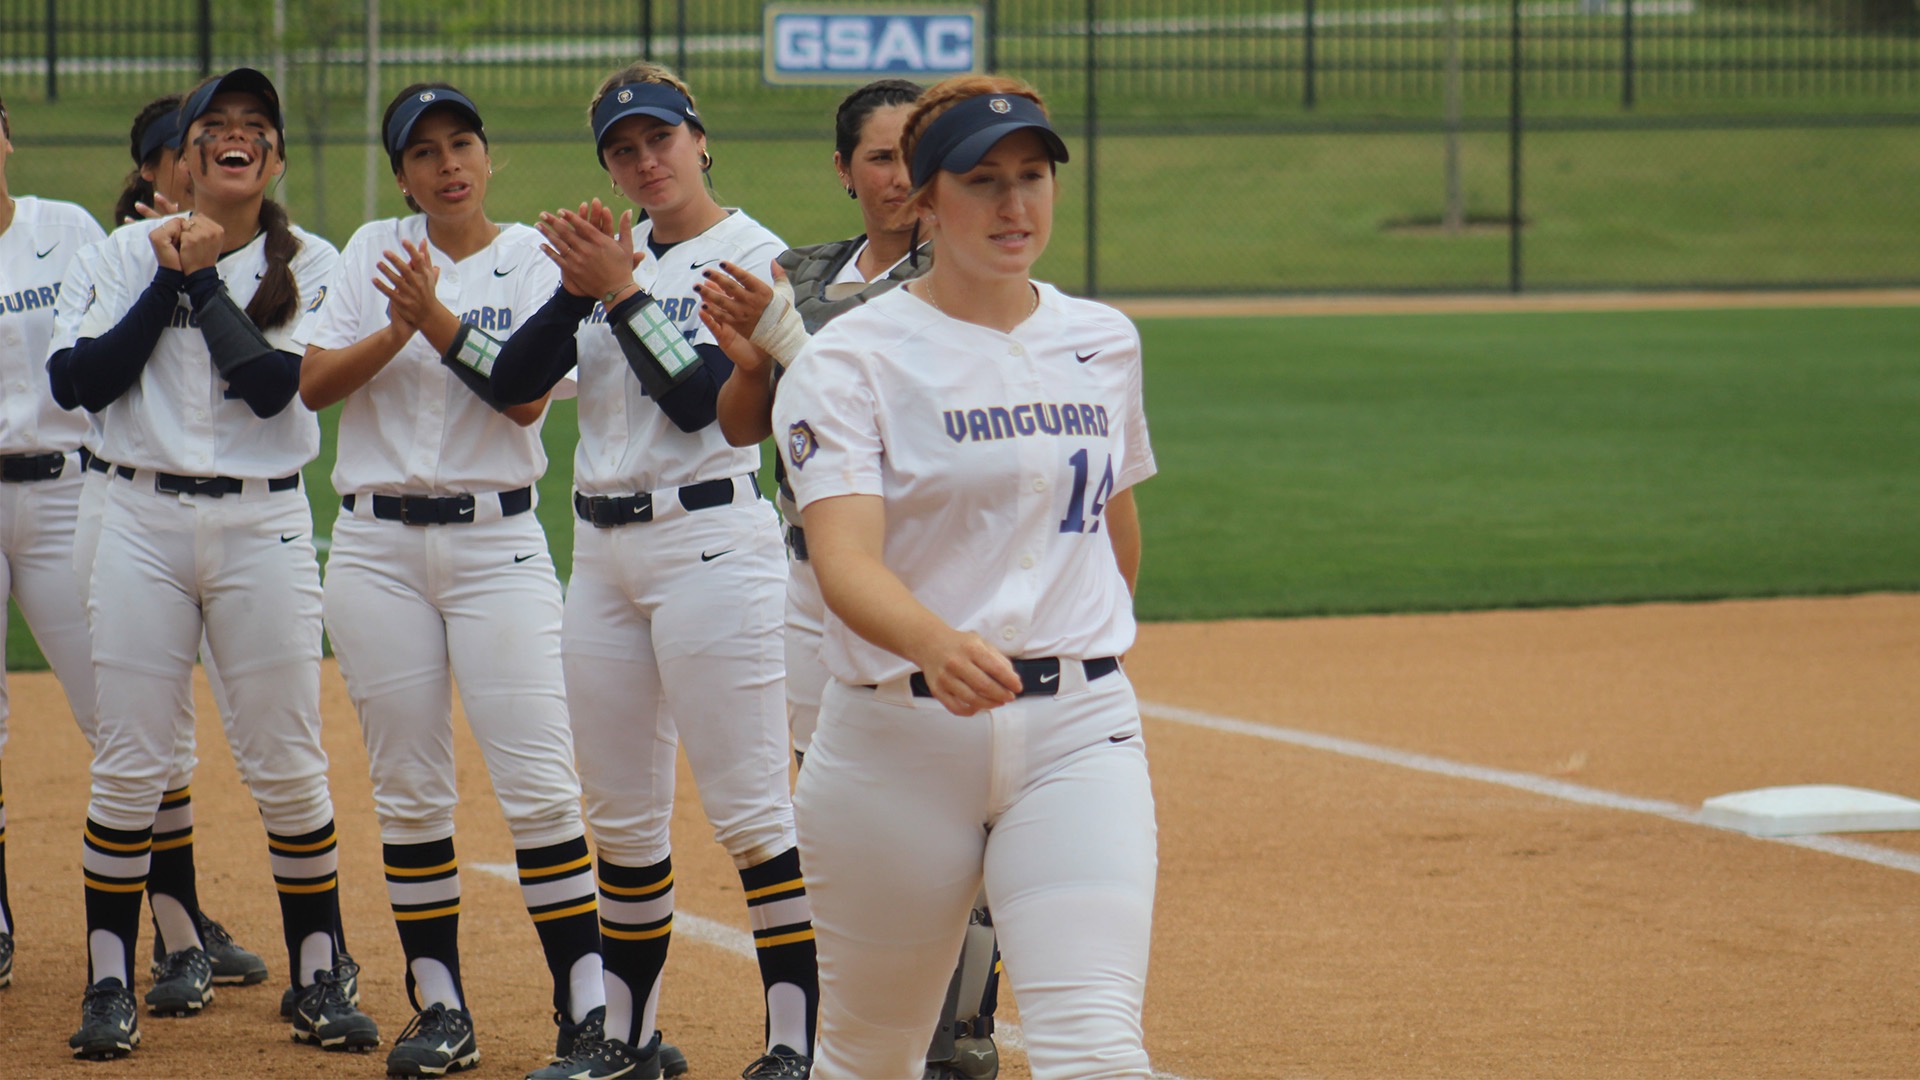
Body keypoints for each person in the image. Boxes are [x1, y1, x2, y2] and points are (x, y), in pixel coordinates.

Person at [769, 75, 1158, 1079]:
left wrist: (1095, 651)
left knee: (1098, 1049)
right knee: (870, 1054)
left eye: (1033, 177)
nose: (1016, 204)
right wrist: (935, 642)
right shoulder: (851, 358)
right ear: (924, 200)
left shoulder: (1102, 340)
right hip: (899, 738)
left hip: (1079, 734)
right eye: (984, 181)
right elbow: (842, 557)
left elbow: (1116, 529)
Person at [476, 60, 816, 1080]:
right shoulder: (612, 258)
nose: (644, 160)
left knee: (754, 810)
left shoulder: (754, 253)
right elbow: (512, 382)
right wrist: (584, 287)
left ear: (699, 139)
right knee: (619, 814)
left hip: (713, 546)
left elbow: (705, 402)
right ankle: (628, 1042)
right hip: (604, 556)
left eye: (659, 138)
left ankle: (798, 1044)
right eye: (622, 150)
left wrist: (620, 291)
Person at [44, 68, 376, 1060]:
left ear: (271, 156)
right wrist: (165, 274)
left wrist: (198, 277)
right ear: (184, 156)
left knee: (286, 760)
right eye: (214, 127)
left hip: (262, 526)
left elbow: (277, 388)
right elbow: (79, 378)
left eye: (254, 127)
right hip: (139, 518)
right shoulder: (116, 253)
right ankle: (111, 983)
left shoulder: (312, 259)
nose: (236, 137)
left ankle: (321, 971)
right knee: (133, 761)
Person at [294, 82, 604, 1078]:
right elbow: (315, 385)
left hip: (497, 546)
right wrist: (397, 323)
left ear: (487, 154)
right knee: (411, 792)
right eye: (422, 152)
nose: (446, 164)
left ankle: (587, 1015)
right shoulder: (369, 250)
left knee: (542, 787)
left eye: (460, 142)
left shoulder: (528, 257)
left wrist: (430, 318)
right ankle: (441, 1010)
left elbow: (520, 404)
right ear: (401, 175)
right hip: (376, 548)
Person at [701, 78, 1004, 1080]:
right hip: (809, 581)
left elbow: (905, 400)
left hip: (931, 583)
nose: (898, 176)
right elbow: (748, 426)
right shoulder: (801, 272)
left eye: (915, 155)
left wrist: (787, 342)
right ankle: (850, 1031)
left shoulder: (961, 275)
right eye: (878, 157)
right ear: (844, 172)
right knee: (837, 805)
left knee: (965, 803)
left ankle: (960, 1028)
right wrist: (752, 358)